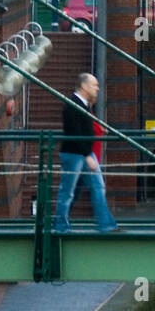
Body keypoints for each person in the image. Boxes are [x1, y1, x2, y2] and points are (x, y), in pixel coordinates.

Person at [54, 72, 119, 234]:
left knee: (97, 186)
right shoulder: (72, 104)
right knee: (68, 192)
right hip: (75, 155)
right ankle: (60, 226)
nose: (97, 88)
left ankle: (106, 224)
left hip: (83, 154)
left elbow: (83, 130)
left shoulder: (83, 104)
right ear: (83, 86)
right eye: (94, 85)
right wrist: (88, 155)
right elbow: (75, 132)